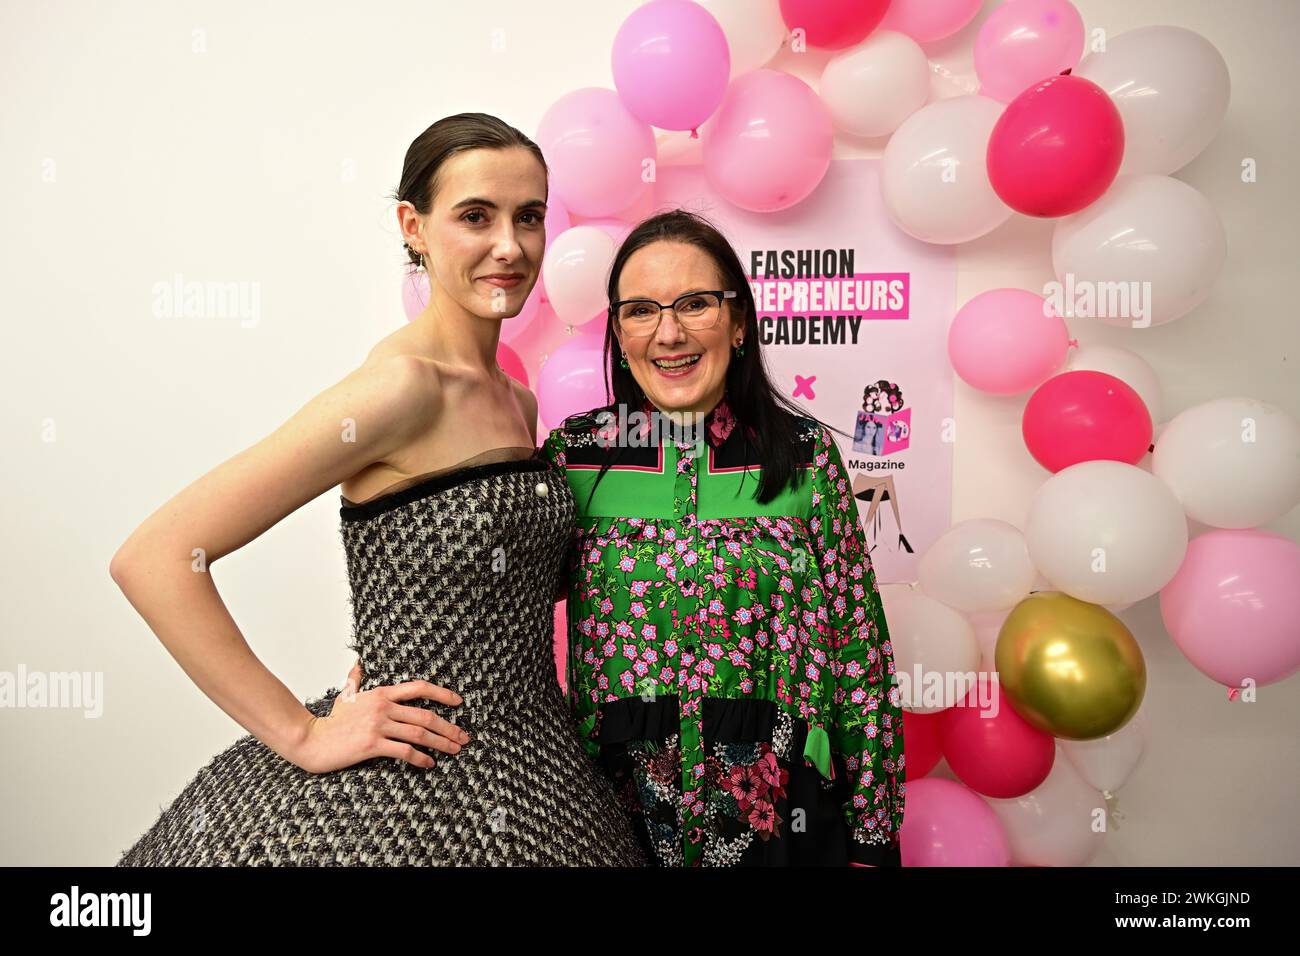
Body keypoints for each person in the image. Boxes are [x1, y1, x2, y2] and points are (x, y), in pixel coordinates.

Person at [109, 113, 645, 866]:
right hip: (417, 785)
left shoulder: (513, 399)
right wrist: (303, 732)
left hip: (542, 771)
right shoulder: (400, 388)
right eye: (474, 216)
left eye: (529, 217)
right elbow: (158, 557)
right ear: (412, 226)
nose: (510, 246)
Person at [539, 210, 905, 867]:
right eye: (642, 310)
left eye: (696, 304)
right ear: (619, 333)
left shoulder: (801, 455)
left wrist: (873, 833)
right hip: (612, 824)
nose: (669, 332)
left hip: (783, 823)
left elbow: (858, 646)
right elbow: (500, 612)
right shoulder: (577, 458)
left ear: (739, 323)